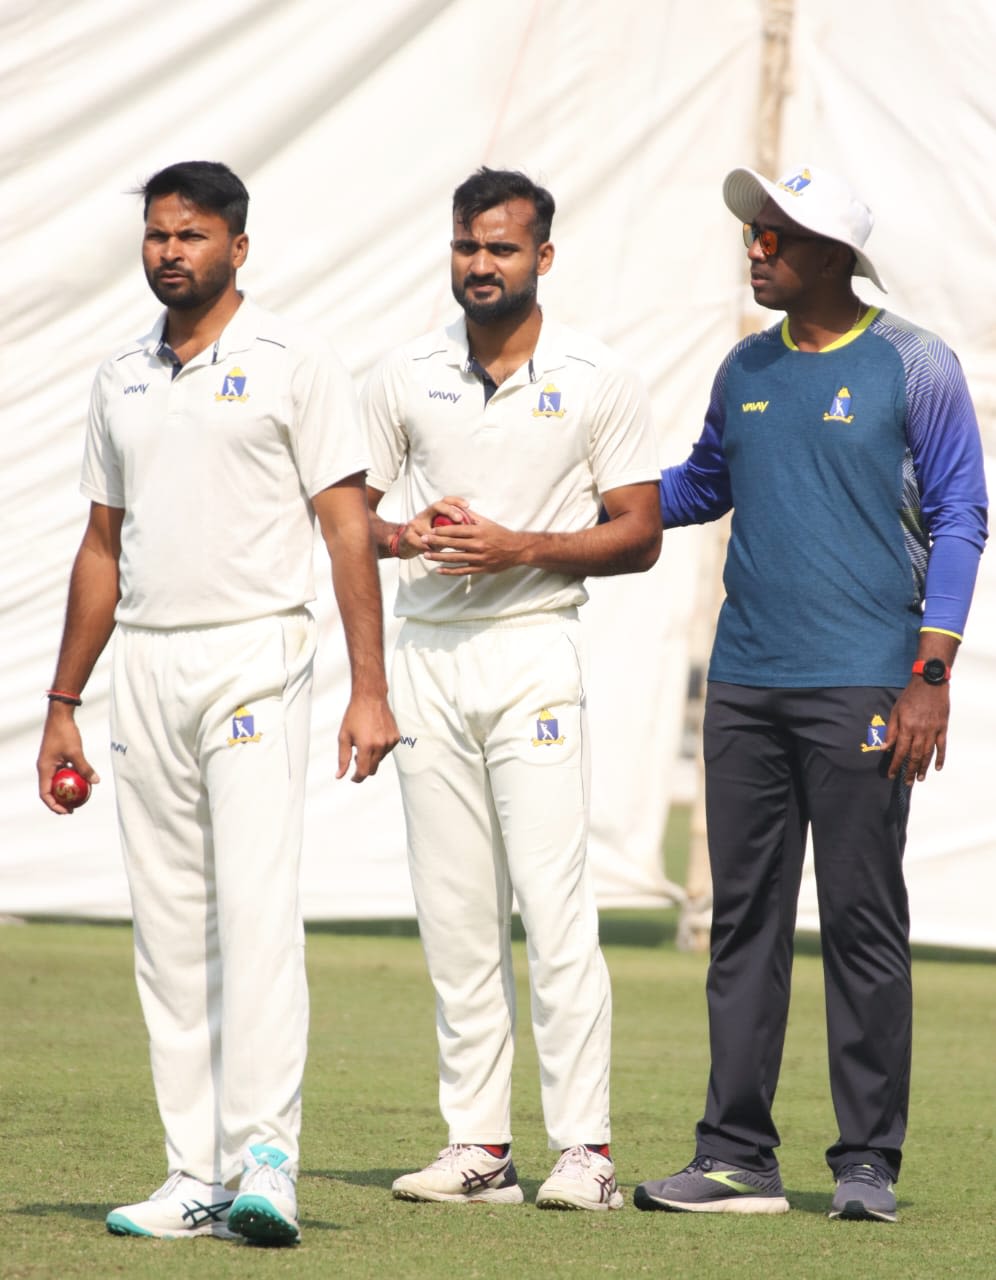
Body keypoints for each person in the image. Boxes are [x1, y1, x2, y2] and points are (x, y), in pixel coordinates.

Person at [36, 160, 398, 1246]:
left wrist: (369, 689)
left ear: (237, 246)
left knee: (251, 910)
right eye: (156, 235)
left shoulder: (295, 360)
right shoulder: (119, 379)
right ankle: (191, 1171)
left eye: (190, 235)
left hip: (254, 654)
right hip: (144, 664)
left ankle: (266, 1162)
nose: (169, 252)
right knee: (168, 932)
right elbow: (102, 544)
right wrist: (64, 699)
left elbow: (346, 530)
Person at [634, 164, 988, 1223]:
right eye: (753, 232)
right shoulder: (743, 364)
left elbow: (966, 516)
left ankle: (867, 1160)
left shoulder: (916, 365)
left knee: (863, 922)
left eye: (775, 236)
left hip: (869, 684)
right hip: (745, 684)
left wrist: (930, 675)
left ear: (833, 255)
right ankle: (736, 1154)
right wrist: (589, 494)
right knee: (742, 921)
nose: (754, 248)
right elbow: (703, 483)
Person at [363, 167, 661, 1211]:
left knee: (554, 904)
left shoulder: (596, 375)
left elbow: (639, 530)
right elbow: (345, 515)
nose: (479, 264)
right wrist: (408, 534)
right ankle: (479, 1145)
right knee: (454, 913)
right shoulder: (404, 371)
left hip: (534, 648)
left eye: (499, 247)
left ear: (542, 255)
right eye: (465, 246)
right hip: (427, 657)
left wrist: (516, 547)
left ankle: (587, 1148)